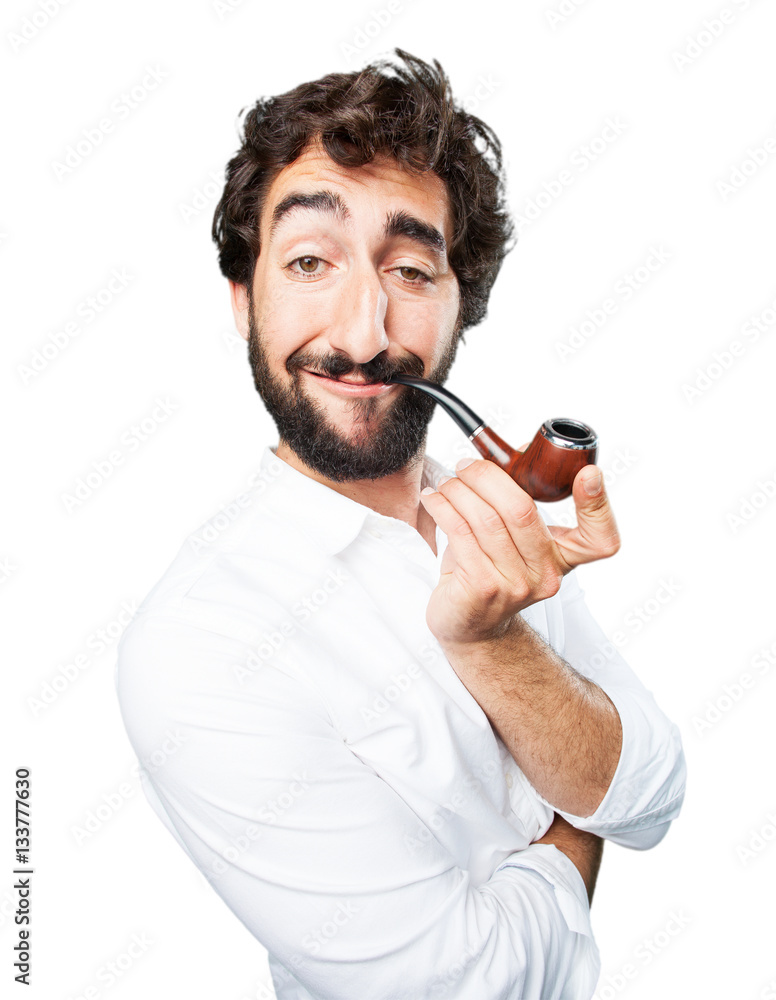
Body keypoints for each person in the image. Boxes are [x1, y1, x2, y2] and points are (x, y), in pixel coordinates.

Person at [115, 49, 686, 999]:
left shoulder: (487, 514)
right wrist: (573, 822)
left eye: (412, 271)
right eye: (307, 261)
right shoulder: (196, 647)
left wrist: (496, 644)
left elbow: (655, 793)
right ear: (241, 297)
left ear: (462, 307)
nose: (365, 331)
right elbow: (467, 988)